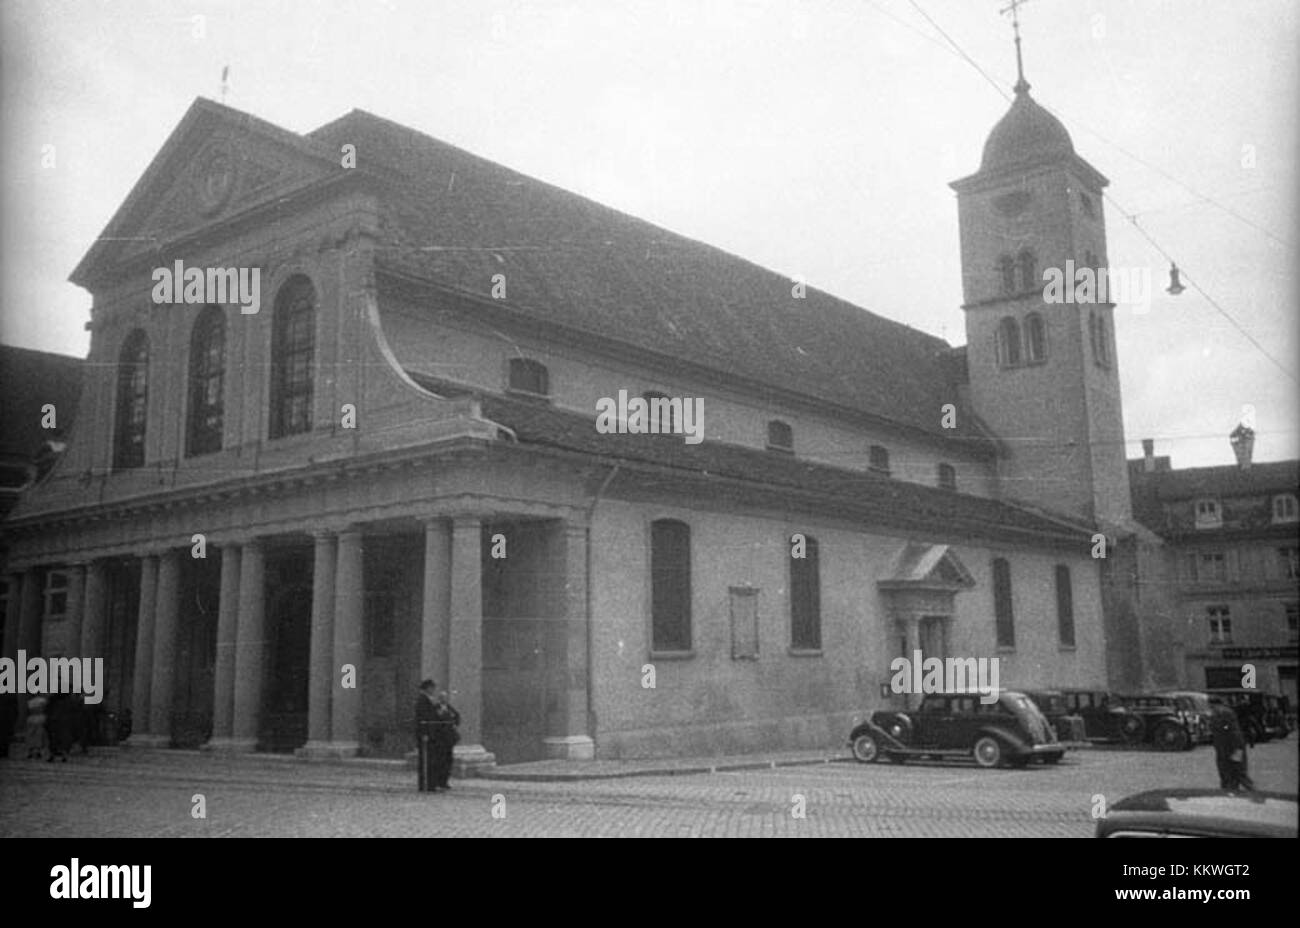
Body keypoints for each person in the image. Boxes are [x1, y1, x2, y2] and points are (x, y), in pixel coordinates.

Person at [1209, 697, 1254, 792]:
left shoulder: (1218, 712)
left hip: (1226, 745)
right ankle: (1249, 789)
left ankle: (1231, 791)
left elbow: (1222, 727)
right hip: (1238, 745)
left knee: (1227, 770)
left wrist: (1222, 729)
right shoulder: (1229, 711)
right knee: (1239, 768)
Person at [429, 690, 461, 791]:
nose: (444, 699)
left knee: (448, 761)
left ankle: (445, 781)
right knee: (440, 761)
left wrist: (455, 724)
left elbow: (457, 716)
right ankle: (438, 781)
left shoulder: (449, 708)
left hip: (449, 740)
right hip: (440, 740)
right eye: (442, 697)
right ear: (439, 699)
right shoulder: (435, 708)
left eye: (445, 697)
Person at [414, 680, 439, 792]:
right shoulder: (422, 700)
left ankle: (430, 784)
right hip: (426, 734)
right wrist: (424, 733)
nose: (433, 690)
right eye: (432, 688)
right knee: (426, 760)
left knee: (431, 759)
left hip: (430, 734)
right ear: (427, 688)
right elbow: (423, 719)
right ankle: (426, 784)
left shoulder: (428, 700)